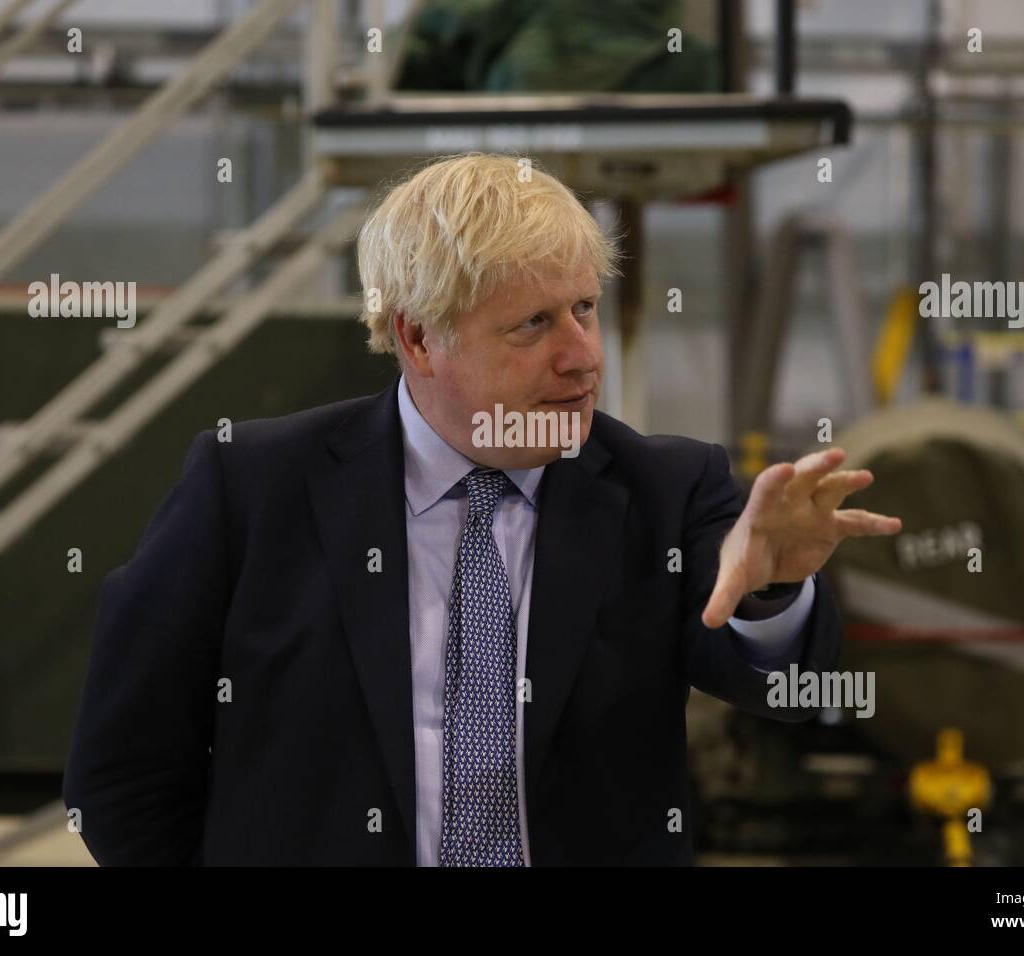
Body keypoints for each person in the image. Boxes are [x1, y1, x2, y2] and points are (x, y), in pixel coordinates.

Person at [63, 152, 901, 866]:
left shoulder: (666, 490)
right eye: (533, 325)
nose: (582, 358)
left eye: (584, 309)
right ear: (419, 338)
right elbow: (123, 775)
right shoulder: (251, 490)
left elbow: (791, 693)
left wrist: (771, 595)